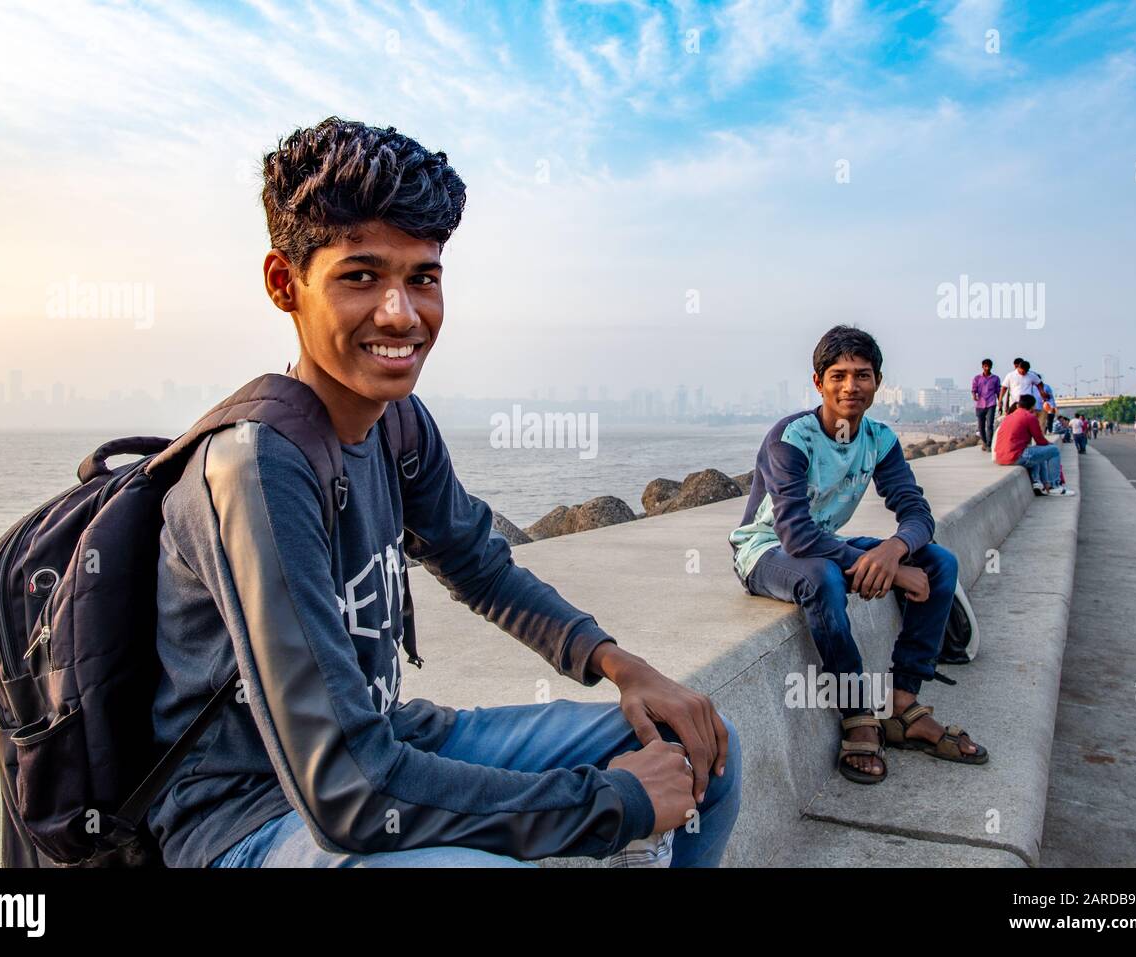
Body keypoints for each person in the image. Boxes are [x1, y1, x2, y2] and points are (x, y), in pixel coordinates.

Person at [148, 117, 741, 869]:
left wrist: (624, 667)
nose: (401, 313)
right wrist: (607, 801)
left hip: (389, 741)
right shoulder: (256, 468)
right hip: (252, 818)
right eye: (360, 276)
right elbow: (346, 794)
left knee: (705, 748)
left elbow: (481, 566)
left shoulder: (399, 424)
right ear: (283, 284)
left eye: (422, 277)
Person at [730, 325, 987, 786]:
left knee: (939, 563)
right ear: (818, 382)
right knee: (824, 579)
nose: (851, 386)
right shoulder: (791, 438)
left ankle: (902, 703)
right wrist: (884, 569)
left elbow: (916, 513)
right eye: (839, 375)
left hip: (822, 547)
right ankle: (857, 713)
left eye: (862, 375)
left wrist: (895, 550)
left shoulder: (880, 440)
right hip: (767, 552)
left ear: (878, 381)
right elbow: (794, 534)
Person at [994, 394, 1075, 495]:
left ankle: (1040, 483)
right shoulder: (1029, 417)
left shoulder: (1009, 417)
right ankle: (1055, 486)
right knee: (1054, 450)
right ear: (1032, 406)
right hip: (1015, 456)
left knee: (1038, 453)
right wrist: (1049, 444)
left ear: (1019, 405)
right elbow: (1040, 440)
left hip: (1000, 457)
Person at [971, 358, 1000, 452]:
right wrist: (974, 395)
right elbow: (974, 389)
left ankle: (989, 444)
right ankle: (984, 441)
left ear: (991, 367)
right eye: (985, 366)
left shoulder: (995, 378)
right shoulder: (977, 378)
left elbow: (998, 391)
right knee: (980, 426)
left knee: (990, 424)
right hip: (980, 404)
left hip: (991, 403)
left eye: (988, 366)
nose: (987, 368)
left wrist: (1000, 402)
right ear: (982, 367)